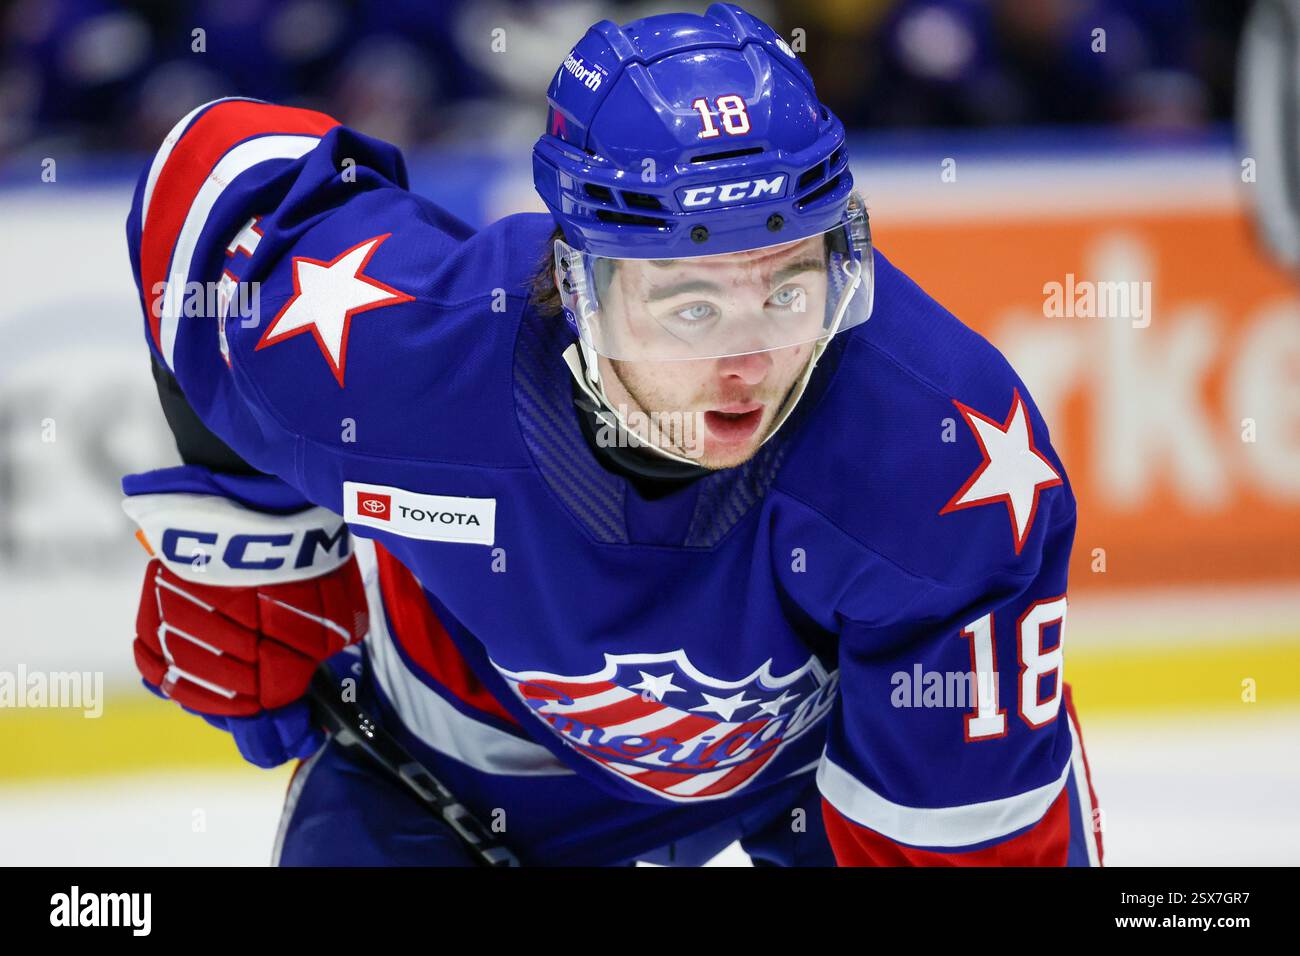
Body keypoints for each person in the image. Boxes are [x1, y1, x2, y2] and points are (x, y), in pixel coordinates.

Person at [121, 2, 1101, 866]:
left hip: (816, 770)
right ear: (582, 287)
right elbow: (214, 169)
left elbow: (958, 841)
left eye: (790, 285)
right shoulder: (404, 355)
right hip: (462, 759)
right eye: (688, 306)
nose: (748, 361)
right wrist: (252, 534)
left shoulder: (935, 449)